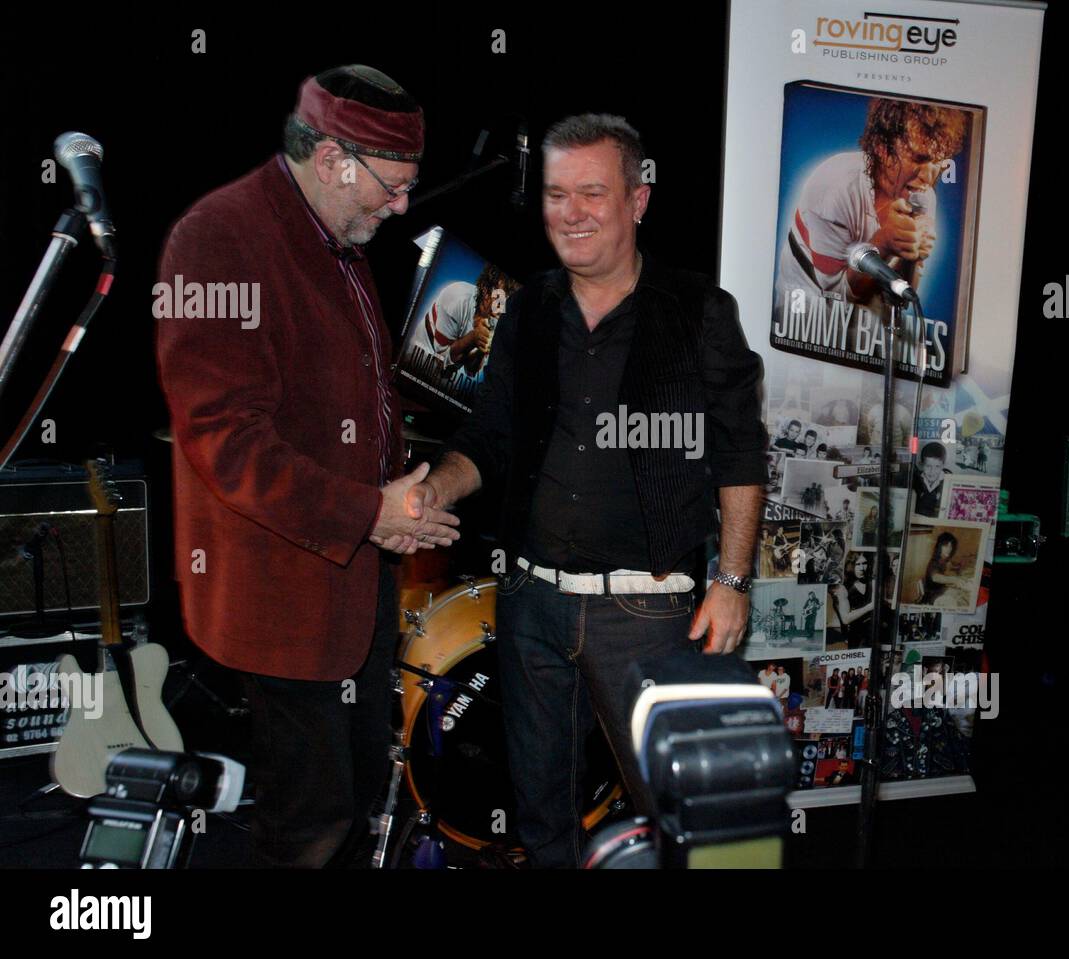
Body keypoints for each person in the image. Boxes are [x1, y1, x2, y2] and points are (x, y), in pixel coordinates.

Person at [406, 114, 767, 867]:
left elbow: (739, 453)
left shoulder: (699, 310)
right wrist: (437, 487)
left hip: (652, 611)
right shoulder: (528, 308)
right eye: (556, 193)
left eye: (592, 193)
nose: (569, 212)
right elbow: (491, 438)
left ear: (638, 200)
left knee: (682, 822)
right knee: (543, 822)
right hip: (532, 600)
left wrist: (732, 580)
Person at [155, 65, 460, 868]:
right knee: (310, 826)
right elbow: (225, 441)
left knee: (356, 795)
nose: (400, 208)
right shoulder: (215, 237)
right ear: (330, 160)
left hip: (350, 582)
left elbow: (341, 395)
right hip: (283, 598)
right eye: (390, 187)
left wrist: (401, 479)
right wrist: (372, 511)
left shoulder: (334, 232)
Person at [778, 97, 969, 311]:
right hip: (804, 306)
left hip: (866, 319)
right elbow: (835, 297)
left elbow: (902, 299)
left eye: (936, 161)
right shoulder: (833, 188)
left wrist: (915, 259)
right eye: (918, 159)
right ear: (882, 148)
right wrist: (883, 244)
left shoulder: (923, 197)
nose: (928, 176)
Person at [427, 264, 522, 376]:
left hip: (444, 379)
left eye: (507, 302)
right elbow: (439, 362)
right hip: (420, 352)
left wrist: (482, 350)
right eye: (498, 297)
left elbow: (471, 371)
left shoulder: (498, 319)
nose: (500, 309)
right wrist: (473, 338)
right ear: (484, 288)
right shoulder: (456, 298)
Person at [830, 553, 874, 648]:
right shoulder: (843, 587)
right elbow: (846, 619)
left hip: (871, 634)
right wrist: (869, 607)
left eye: (864, 563)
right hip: (853, 638)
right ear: (850, 565)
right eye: (858, 564)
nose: (862, 568)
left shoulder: (871, 582)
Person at [915, 532, 964, 605]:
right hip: (933, 596)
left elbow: (946, 571)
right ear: (939, 546)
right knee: (958, 600)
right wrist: (954, 580)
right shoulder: (934, 561)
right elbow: (935, 577)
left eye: (950, 546)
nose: (949, 549)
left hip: (939, 591)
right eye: (946, 546)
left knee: (959, 595)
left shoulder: (943, 560)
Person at [912, 441, 950, 518]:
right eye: (928, 466)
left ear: (943, 465)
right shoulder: (916, 480)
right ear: (921, 465)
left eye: (937, 467)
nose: (932, 471)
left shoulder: (948, 482)